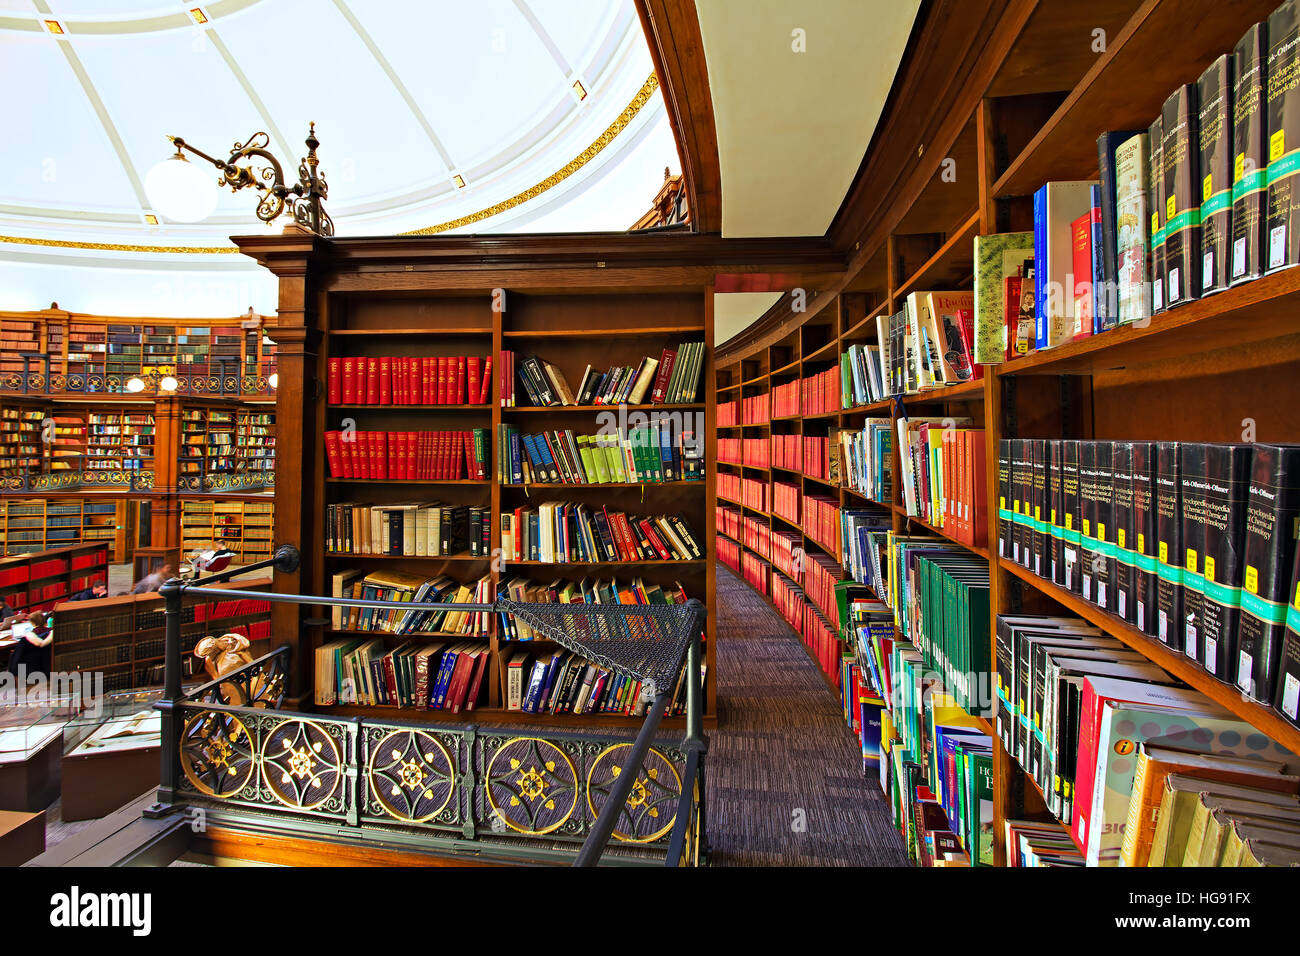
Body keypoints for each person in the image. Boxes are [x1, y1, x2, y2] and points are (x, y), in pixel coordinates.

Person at [7, 611, 52, 678]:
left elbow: (17, 657)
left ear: (32, 623)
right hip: (50, 667)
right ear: (45, 622)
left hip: (32, 670)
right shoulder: (53, 634)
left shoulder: (26, 639)